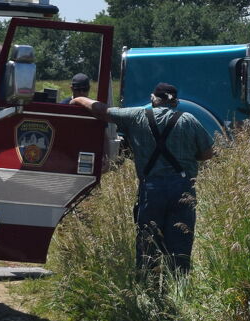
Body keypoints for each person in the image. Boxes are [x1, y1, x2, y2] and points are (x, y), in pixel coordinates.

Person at [84, 81, 215, 273]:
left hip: (151, 189)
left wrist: (78, 99)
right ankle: (178, 288)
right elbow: (208, 153)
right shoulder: (189, 119)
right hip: (183, 189)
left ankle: (148, 287)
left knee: (148, 243)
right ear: (175, 102)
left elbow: (103, 111)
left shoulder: (137, 116)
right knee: (180, 246)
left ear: (153, 99)